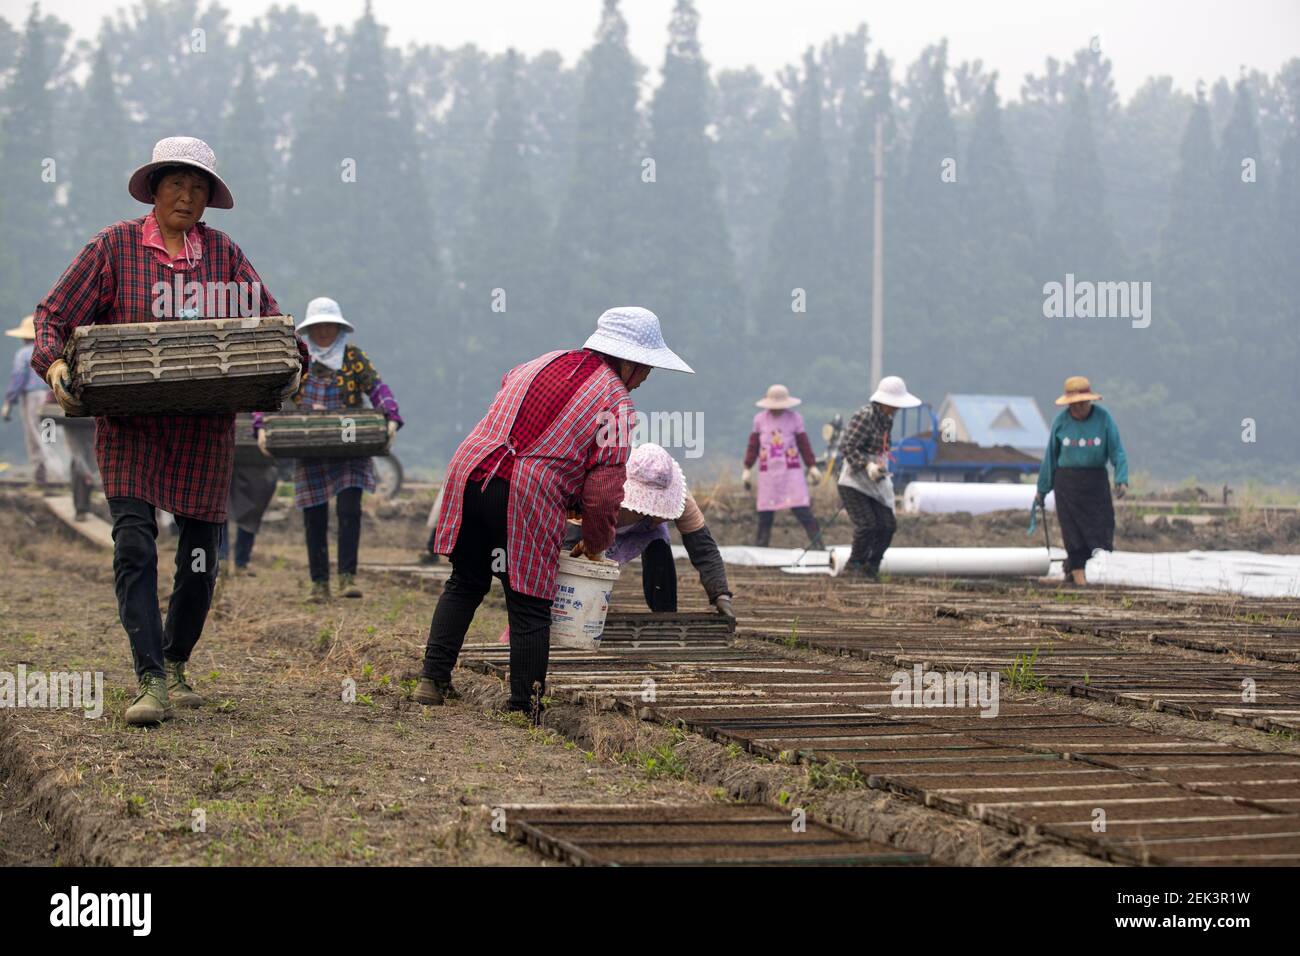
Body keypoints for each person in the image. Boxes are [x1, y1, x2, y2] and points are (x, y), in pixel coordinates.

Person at [31, 136, 305, 726]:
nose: (187, 196)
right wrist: (54, 362)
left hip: (204, 429)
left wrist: (295, 361)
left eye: (198, 186)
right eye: (175, 184)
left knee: (202, 556)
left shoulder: (223, 255)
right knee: (133, 542)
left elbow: (269, 316)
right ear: (154, 190)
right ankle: (149, 676)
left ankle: (177, 662)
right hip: (131, 426)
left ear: (210, 197)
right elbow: (54, 315)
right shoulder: (113, 247)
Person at [417, 307, 692, 714]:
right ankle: (522, 706)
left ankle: (432, 680)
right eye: (647, 369)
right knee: (530, 601)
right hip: (525, 489)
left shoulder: (539, 362)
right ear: (630, 362)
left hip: (472, 469)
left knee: (466, 580)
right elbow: (603, 491)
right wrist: (597, 542)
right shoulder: (615, 401)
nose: (645, 380)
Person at [254, 296, 402, 602]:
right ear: (309, 330)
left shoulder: (354, 358)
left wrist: (390, 417)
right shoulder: (298, 359)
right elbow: (274, 391)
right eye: (318, 327)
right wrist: (261, 425)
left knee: (350, 512)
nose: (323, 332)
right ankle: (319, 583)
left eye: (329, 326)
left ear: (338, 328)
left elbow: (377, 388)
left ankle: (348, 577)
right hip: (311, 447)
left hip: (351, 447)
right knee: (314, 517)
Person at [563, 442, 733, 619]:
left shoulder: (683, 501)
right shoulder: (601, 487)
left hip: (646, 530)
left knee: (660, 547)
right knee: (580, 569)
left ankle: (665, 614)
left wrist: (721, 595)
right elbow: (570, 539)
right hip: (598, 526)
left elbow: (703, 548)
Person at [1035, 376, 1129, 586]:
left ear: (1089, 401)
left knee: (1099, 530)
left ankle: (1072, 566)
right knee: (1072, 531)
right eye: (1074, 404)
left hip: (1095, 483)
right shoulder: (1061, 422)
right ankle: (1079, 576)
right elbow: (1050, 457)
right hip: (1067, 484)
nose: (1079, 408)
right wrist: (1042, 489)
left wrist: (1121, 478)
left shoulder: (1103, 419)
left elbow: (1117, 451)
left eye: (1082, 403)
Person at [837, 375, 922, 580]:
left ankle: (871, 567)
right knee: (867, 525)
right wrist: (866, 465)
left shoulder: (887, 420)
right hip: (854, 481)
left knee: (887, 525)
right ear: (882, 401)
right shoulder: (864, 416)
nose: (896, 409)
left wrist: (879, 466)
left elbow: (882, 449)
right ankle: (853, 567)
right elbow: (847, 447)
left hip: (874, 480)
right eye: (894, 404)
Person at [742, 384, 822, 547]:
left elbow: (803, 444)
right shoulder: (759, 420)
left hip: (790, 472)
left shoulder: (795, 418)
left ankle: (819, 546)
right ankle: (761, 548)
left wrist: (812, 466)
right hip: (768, 473)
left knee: (802, 510)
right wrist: (747, 468)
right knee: (766, 514)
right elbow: (753, 446)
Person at [3, 315, 64, 484]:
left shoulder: (23, 354)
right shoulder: (49, 351)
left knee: (36, 437)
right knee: (49, 437)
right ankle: (52, 474)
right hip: (50, 399)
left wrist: (9, 401)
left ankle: (49, 475)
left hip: (33, 400)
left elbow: (18, 378)